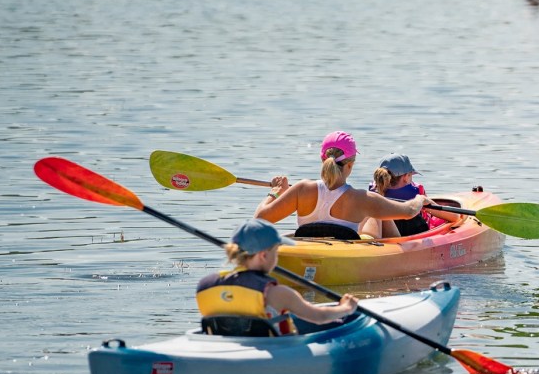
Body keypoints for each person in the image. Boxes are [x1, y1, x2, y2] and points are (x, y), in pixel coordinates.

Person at [256, 131, 430, 240]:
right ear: (350, 165)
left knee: (375, 211)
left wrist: (276, 192)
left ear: (322, 159)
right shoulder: (362, 199)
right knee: (376, 214)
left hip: (310, 249)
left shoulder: (301, 189)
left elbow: (260, 218)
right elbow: (409, 212)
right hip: (348, 256)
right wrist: (420, 199)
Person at [196, 218, 358, 334]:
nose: (277, 257)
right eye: (276, 251)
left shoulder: (206, 286)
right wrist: (346, 308)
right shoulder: (278, 293)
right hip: (275, 353)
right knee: (351, 321)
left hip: (227, 347)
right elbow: (319, 317)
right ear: (263, 256)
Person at [370, 154, 461, 237]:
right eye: (411, 175)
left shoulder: (373, 193)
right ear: (406, 177)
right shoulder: (418, 194)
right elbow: (455, 217)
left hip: (386, 235)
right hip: (416, 234)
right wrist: (428, 202)